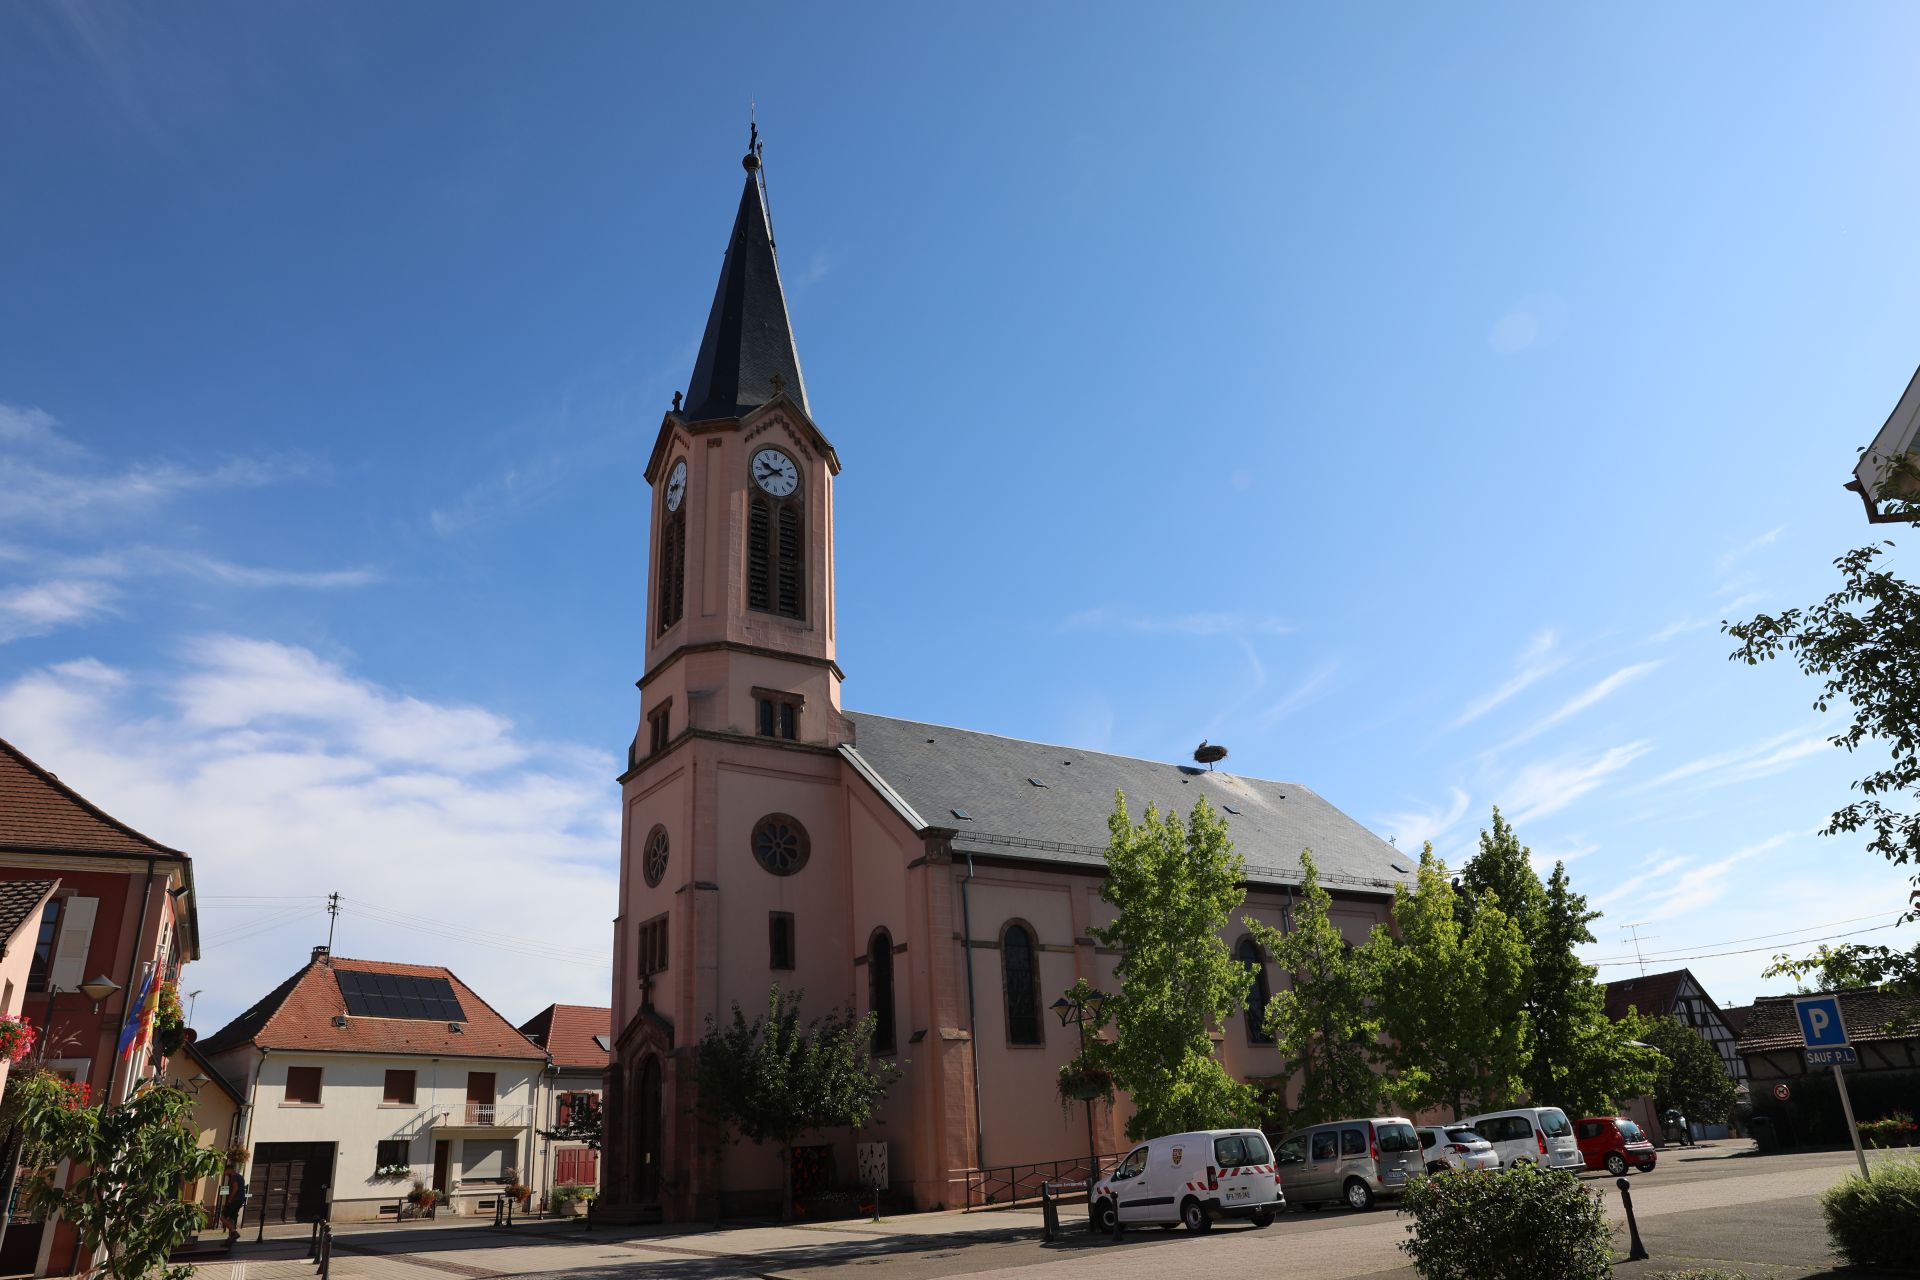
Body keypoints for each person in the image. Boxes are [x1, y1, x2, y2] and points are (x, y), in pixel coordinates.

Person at [220, 1161, 248, 1244]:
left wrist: (230, 1199)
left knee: (223, 1217)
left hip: (235, 1200)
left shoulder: (234, 1176)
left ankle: (234, 1233)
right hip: (240, 1199)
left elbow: (235, 1188)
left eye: (225, 1171)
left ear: (229, 1169)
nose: (224, 1174)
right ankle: (232, 1236)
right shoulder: (240, 1176)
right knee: (231, 1218)